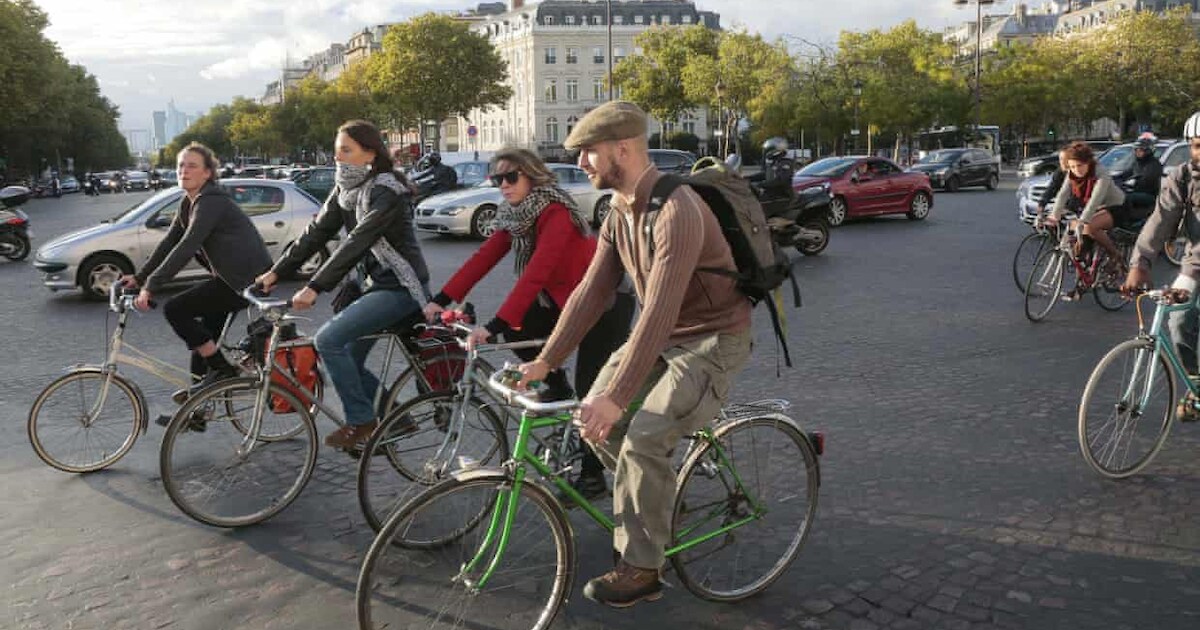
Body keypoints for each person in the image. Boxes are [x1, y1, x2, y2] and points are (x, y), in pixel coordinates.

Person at [516, 101, 753, 608]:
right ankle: (652, 508)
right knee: (591, 420)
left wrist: (619, 397)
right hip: (663, 336)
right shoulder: (619, 211)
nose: (580, 163)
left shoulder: (678, 210)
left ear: (622, 149)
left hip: (713, 339)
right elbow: (591, 292)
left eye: (588, 153)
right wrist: (547, 360)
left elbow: (659, 310)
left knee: (642, 435)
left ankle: (643, 569)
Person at [423, 147, 635, 500]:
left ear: (532, 176)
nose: (502, 185)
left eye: (510, 177)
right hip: (561, 300)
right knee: (519, 334)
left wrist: (493, 323)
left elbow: (536, 274)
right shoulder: (516, 214)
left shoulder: (556, 212)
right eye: (497, 179)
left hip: (604, 302)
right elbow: (483, 257)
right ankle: (558, 397)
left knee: (590, 388)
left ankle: (594, 475)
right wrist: (441, 300)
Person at [256, 120, 431, 451]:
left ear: (369, 153)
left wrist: (316, 286)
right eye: (336, 149)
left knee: (328, 340)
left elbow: (358, 241)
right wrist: (277, 272)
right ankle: (395, 417)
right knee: (347, 354)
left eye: (346, 150)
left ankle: (360, 421)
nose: (338, 157)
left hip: (401, 289)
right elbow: (317, 233)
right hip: (372, 286)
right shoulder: (345, 190)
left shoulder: (387, 191)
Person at [120, 142, 273, 424]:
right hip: (230, 278)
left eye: (192, 165)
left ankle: (224, 372)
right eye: (180, 165)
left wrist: (151, 286)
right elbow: (170, 241)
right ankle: (197, 410)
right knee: (202, 341)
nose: (184, 170)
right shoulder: (189, 201)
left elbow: (188, 245)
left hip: (245, 281)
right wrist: (140, 277)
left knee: (176, 309)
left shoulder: (210, 200)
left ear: (207, 173)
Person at [1123, 111, 1200, 421]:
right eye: (1197, 145)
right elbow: (1161, 219)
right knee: (1177, 319)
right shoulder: (1181, 176)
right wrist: (1139, 263)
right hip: (1196, 263)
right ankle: (1194, 384)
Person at [1044, 141, 1128, 294]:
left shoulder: (1101, 173)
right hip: (1092, 208)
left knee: (1089, 227)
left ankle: (1115, 255)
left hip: (1114, 206)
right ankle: (1084, 276)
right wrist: (1054, 216)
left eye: (1080, 166)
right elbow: (1063, 194)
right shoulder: (1071, 174)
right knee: (1075, 238)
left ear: (1088, 162)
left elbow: (1096, 198)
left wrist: (1083, 221)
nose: (1076, 170)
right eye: (1072, 167)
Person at [1127, 134, 1164, 211]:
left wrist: (1134, 181)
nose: (1138, 152)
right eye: (1136, 150)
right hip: (1136, 191)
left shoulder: (1154, 164)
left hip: (1149, 194)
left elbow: (1147, 179)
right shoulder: (1136, 163)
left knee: (1127, 197)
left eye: (1140, 150)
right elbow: (1126, 173)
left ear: (1147, 151)